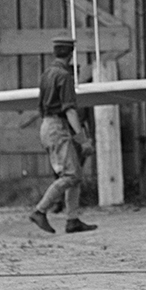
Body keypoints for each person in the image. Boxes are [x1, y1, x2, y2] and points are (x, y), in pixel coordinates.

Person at [28, 36, 97, 234]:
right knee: (71, 174)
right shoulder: (64, 76)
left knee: (72, 174)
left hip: (47, 125)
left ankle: (72, 220)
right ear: (71, 53)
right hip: (58, 126)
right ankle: (40, 211)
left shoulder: (47, 74)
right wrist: (82, 139)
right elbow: (70, 110)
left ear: (55, 52)